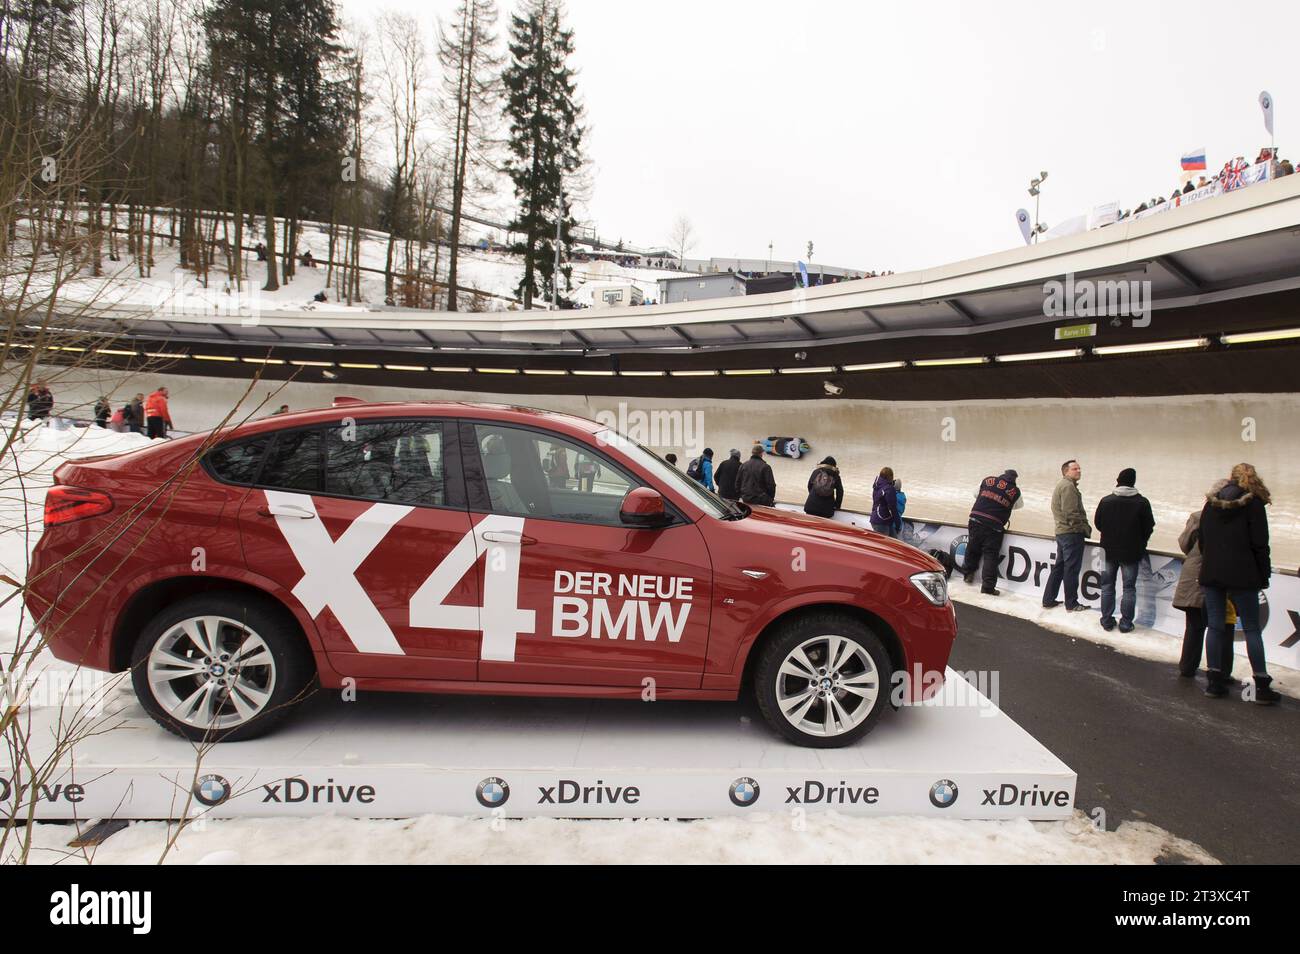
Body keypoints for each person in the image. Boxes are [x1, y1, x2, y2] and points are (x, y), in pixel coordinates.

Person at [1198, 463, 1278, 703]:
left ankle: (1214, 681)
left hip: (1212, 573)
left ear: (1229, 479)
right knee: (1252, 628)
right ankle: (1262, 685)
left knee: (1215, 625)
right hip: (1243, 574)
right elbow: (1260, 544)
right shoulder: (1253, 506)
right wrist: (1262, 575)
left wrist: (1211, 562)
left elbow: (1202, 540)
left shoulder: (1211, 504)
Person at [1174, 484, 1235, 681]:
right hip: (1222, 576)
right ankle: (1221, 672)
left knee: (1194, 625)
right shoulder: (1235, 520)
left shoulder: (1198, 517)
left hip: (1194, 575)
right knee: (1223, 627)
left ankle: (1187, 666)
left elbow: (1184, 543)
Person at [1093, 468, 1155, 633]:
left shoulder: (1106, 501)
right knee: (1129, 588)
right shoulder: (1142, 503)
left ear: (1118, 481)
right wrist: (1141, 542)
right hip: (1131, 552)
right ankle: (1126, 623)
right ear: (1133, 482)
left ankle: (1106, 620)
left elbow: (1098, 523)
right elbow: (1149, 527)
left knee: (1107, 585)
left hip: (1107, 551)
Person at [961, 469, 1022, 596]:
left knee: (972, 547)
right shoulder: (1015, 491)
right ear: (1015, 479)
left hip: (976, 518)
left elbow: (975, 494)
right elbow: (1019, 506)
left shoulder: (988, 480)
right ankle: (988, 587)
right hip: (994, 525)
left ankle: (968, 574)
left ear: (1003, 474)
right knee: (991, 555)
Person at [1042, 459, 1091, 612]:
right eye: (1075, 469)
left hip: (1062, 532)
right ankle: (1072, 603)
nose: (1079, 471)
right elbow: (1071, 512)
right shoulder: (1068, 487)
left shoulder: (1063, 485)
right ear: (1066, 471)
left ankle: (1048, 599)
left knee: (1060, 566)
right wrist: (1081, 529)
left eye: (1079, 468)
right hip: (1071, 534)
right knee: (1071, 569)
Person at [870, 466, 898, 536]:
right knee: (888, 544)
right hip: (882, 521)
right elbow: (893, 507)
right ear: (890, 477)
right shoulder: (889, 489)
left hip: (876, 519)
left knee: (893, 543)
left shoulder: (877, 486)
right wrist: (898, 523)